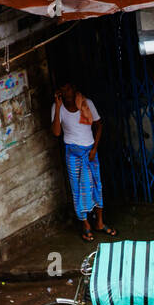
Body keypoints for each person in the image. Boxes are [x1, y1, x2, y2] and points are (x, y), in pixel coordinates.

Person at [51, 81, 116, 244]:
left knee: (96, 185)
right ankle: (85, 225)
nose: (67, 92)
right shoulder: (56, 108)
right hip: (73, 154)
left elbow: (98, 125)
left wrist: (94, 148)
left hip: (90, 153)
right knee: (78, 189)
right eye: (63, 89)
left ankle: (99, 222)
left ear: (74, 88)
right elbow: (56, 132)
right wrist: (58, 107)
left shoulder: (87, 104)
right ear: (59, 92)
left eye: (69, 88)